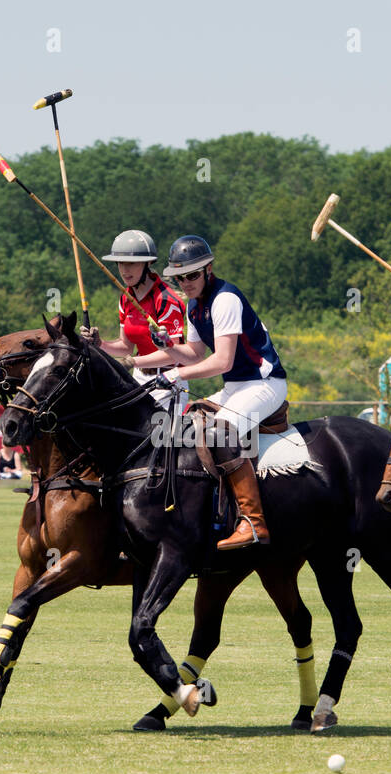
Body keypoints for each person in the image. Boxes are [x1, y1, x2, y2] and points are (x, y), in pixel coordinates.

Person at [130, 235, 286, 550]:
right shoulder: (194, 307)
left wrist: (176, 373)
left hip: (264, 383)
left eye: (191, 275)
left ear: (207, 270)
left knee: (222, 433)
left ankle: (253, 523)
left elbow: (222, 360)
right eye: (179, 277)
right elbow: (195, 354)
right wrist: (166, 349)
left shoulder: (224, 299)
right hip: (236, 387)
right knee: (186, 427)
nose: (185, 282)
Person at [83, 230, 188, 414]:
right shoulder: (126, 298)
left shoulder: (165, 299)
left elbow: (174, 355)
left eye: (131, 263)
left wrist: (132, 361)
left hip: (168, 380)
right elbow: (126, 346)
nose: (124, 270)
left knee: (157, 439)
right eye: (120, 263)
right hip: (138, 378)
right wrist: (100, 344)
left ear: (147, 263)